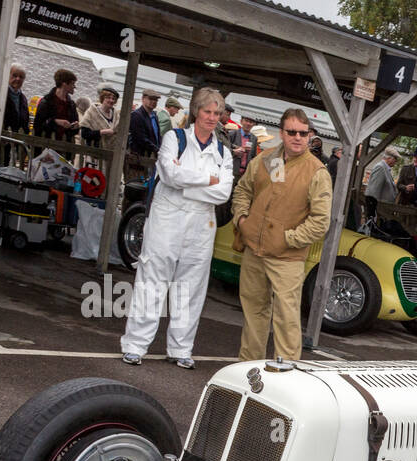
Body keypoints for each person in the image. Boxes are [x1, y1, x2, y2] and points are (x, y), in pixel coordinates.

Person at [119, 88, 232, 369]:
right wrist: (209, 179)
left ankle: (181, 348)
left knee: (191, 287)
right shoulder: (174, 138)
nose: (212, 118)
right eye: (207, 111)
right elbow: (169, 174)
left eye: (217, 113)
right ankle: (135, 345)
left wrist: (187, 185)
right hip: (167, 219)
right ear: (196, 111)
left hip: (201, 224)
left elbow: (224, 193)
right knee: (152, 281)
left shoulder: (223, 151)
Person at [231, 108, 332, 362]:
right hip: (254, 250)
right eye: (292, 132)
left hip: (287, 259)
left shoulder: (317, 171)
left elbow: (320, 222)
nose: (298, 137)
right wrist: (243, 221)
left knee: (287, 319)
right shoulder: (268, 159)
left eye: (303, 132)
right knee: (253, 312)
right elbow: (243, 190)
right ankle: (248, 369)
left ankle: (287, 375)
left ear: (310, 135)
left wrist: (288, 239)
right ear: (282, 133)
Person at [32, 69, 79, 143]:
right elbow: (38, 126)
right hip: (47, 146)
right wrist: (55, 122)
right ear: (64, 84)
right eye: (72, 83)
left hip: (65, 147)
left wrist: (75, 126)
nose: (74, 87)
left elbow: (75, 129)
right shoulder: (46, 101)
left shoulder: (71, 104)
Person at [363, 145, 400, 218]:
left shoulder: (385, 168)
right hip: (378, 210)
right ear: (389, 158)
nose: (396, 161)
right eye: (395, 159)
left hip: (382, 210)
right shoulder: (380, 167)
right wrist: (372, 213)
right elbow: (373, 191)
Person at [127, 88, 163, 159]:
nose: (153, 101)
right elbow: (140, 138)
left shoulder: (154, 115)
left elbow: (157, 135)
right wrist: (157, 149)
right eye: (151, 99)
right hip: (138, 156)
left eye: (155, 100)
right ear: (143, 99)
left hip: (151, 155)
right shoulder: (136, 115)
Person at [232, 115, 256, 180]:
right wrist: (234, 152)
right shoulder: (233, 134)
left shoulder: (254, 138)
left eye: (251, 122)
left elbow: (253, 156)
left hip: (245, 173)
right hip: (232, 170)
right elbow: (225, 150)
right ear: (241, 121)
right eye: (246, 121)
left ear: (253, 124)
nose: (248, 124)